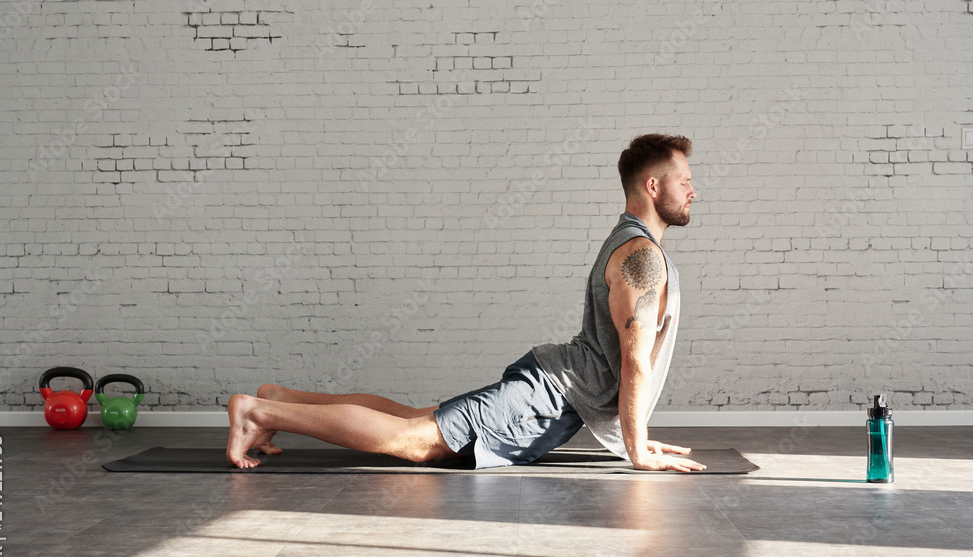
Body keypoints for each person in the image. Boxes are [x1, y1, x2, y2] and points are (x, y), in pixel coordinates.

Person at [226, 133, 705, 472]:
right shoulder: (641, 254)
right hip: (547, 396)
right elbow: (634, 362)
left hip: (551, 389)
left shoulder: (634, 244)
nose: (693, 191)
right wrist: (636, 448)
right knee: (416, 442)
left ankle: (281, 399)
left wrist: (633, 437)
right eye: (683, 181)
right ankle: (259, 413)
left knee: (413, 418)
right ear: (652, 186)